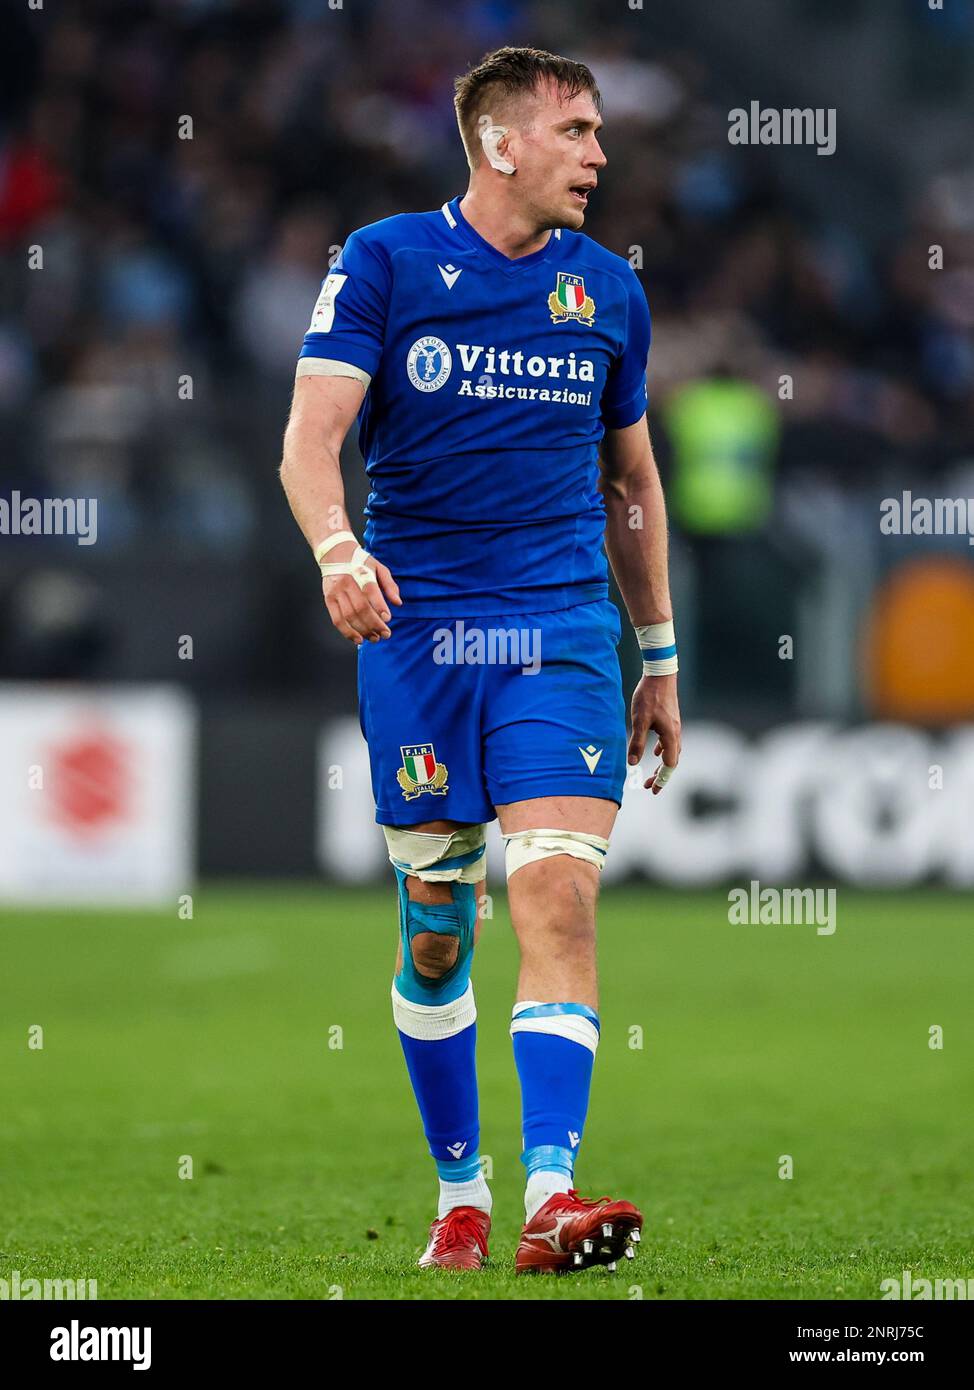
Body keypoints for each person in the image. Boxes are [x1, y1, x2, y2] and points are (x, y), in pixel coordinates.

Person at [280, 45, 681, 1275]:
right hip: (421, 634)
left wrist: (655, 653)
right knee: (438, 929)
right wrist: (339, 551)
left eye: (598, 132)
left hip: (557, 632)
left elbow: (632, 486)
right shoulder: (386, 261)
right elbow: (308, 445)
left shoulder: (608, 291)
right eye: (575, 131)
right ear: (501, 144)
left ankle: (549, 1198)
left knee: (554, 891)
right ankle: (461, 1188)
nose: (597, 156)